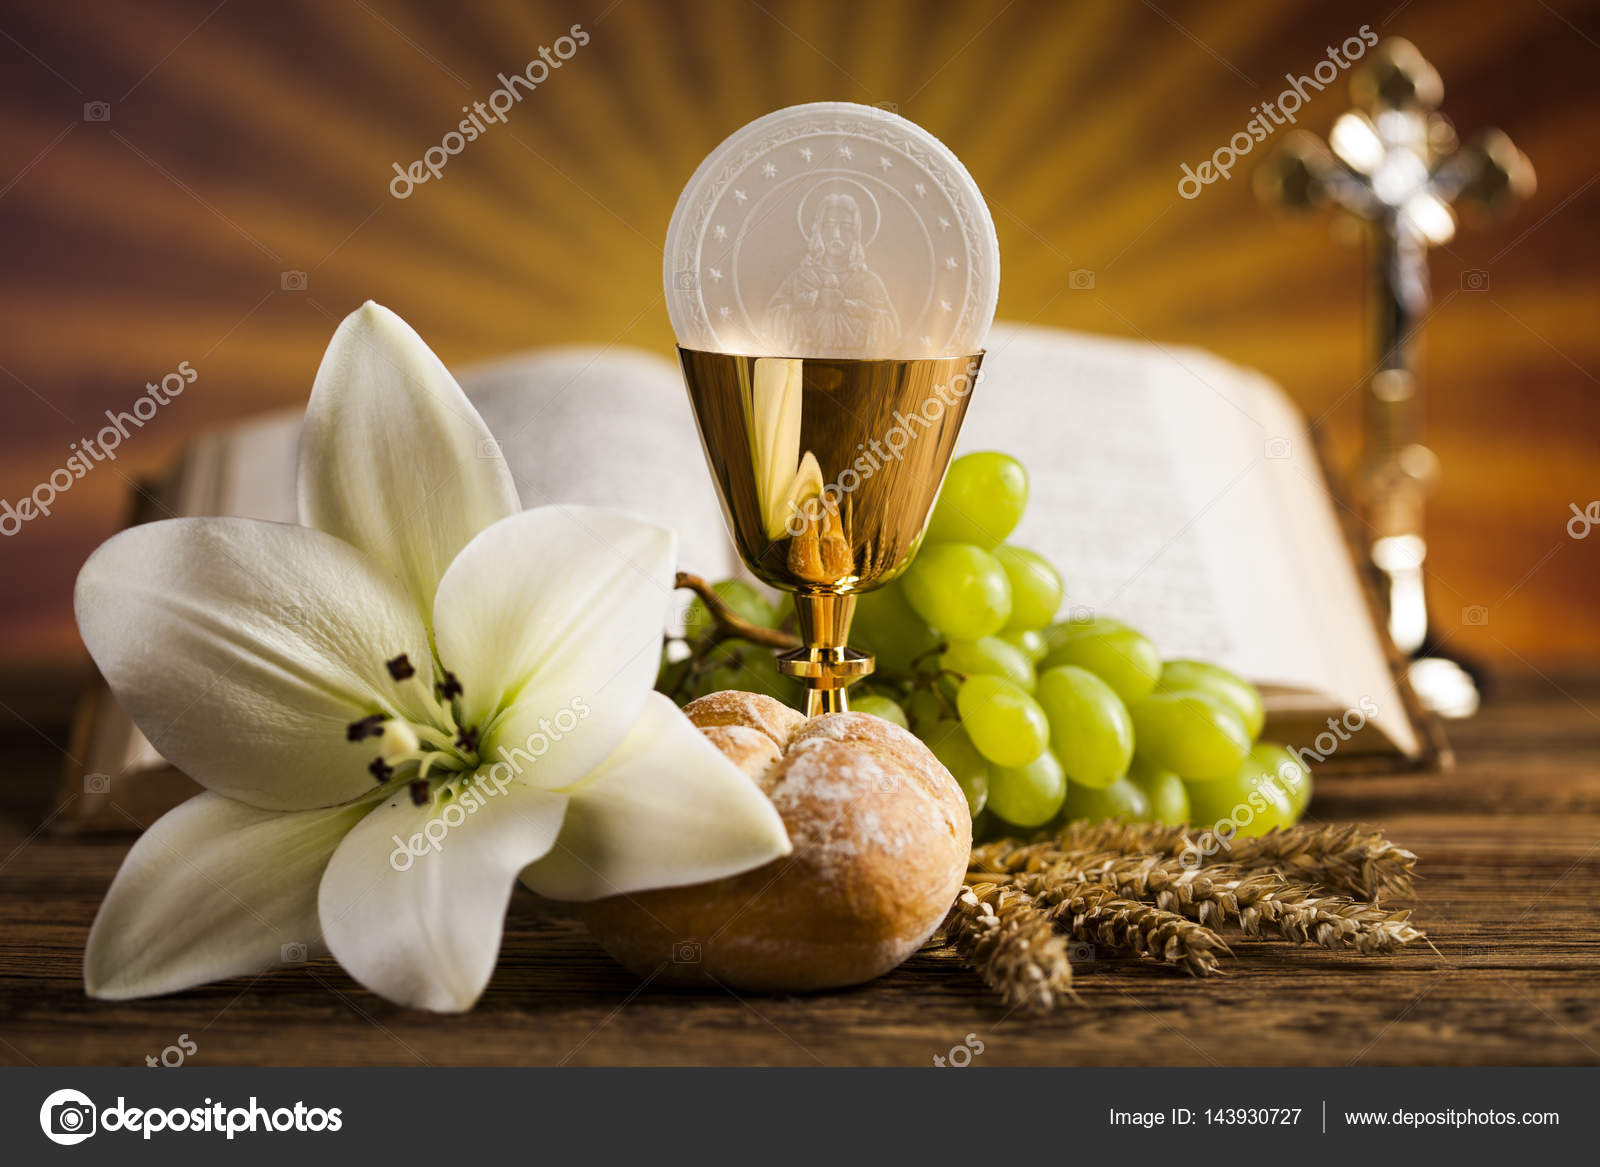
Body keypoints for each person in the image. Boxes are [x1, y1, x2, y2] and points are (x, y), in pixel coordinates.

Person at [764, 192, 900, 355]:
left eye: (846, 228)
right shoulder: (800, 278)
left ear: (855, 234)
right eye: (829, 227)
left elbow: (890, 329)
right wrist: (808, 301)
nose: (837, 235)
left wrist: (863, 311)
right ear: (818, 231)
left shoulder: (869, 282)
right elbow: (771, 320)